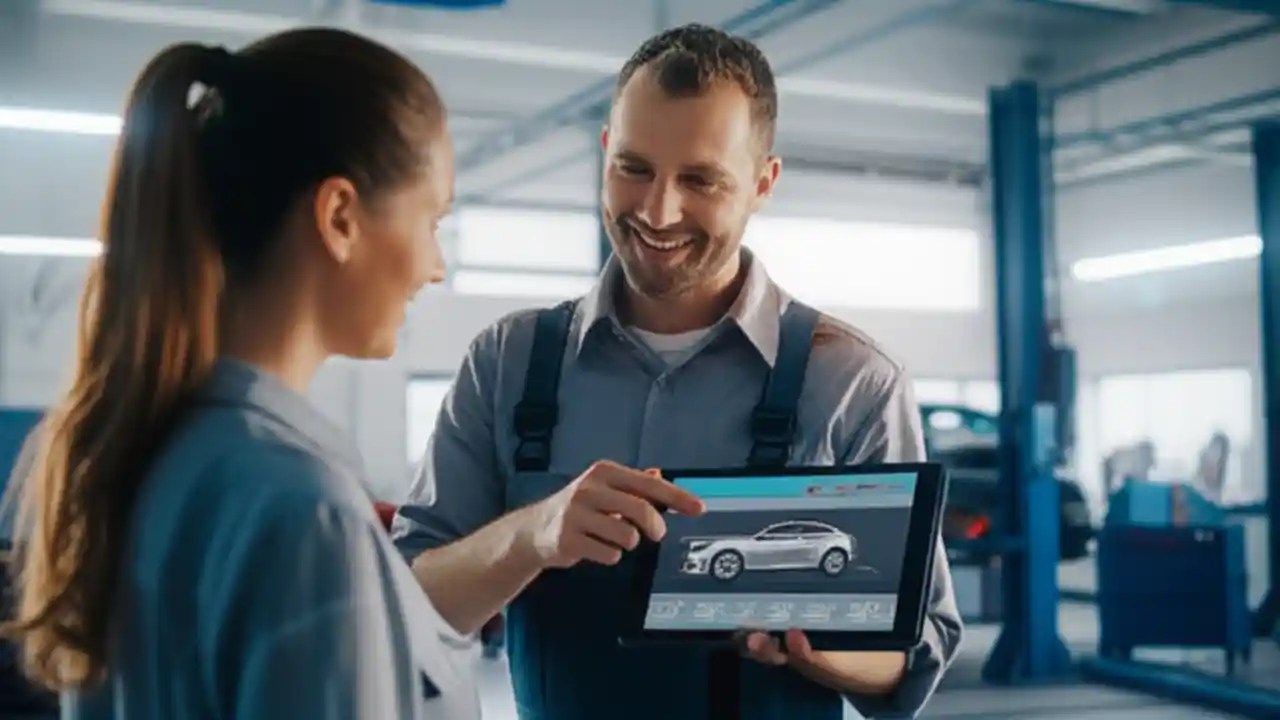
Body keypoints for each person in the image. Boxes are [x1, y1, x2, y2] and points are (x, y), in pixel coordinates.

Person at [393, 23, 962, 720]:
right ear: (605, 151)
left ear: (762, 183)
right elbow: (410, 607)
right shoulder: (506, 365)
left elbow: (918, 648)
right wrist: (532, 535)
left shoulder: (851, 383)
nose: (658, 211)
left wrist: (817, 651)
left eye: (700, 180)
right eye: (634, 168)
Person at [2, 28, 478, 719]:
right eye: (433, 220)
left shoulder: (137, 458)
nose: (437, 266)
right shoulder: (305, 510)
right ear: (340, 216)